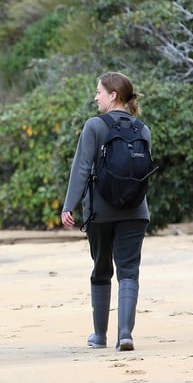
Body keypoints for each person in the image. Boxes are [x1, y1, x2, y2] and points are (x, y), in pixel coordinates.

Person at [60, 72, 151, 352]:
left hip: (100, 212)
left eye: (99, 91)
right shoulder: (142, 129)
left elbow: (81, 168)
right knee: (129, 270)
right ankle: (125, 334)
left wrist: (69, 205)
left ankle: (99, 336)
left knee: (101, 269)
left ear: (113, 95)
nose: (95, 96)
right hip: (136, 211)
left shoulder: (94, 126)